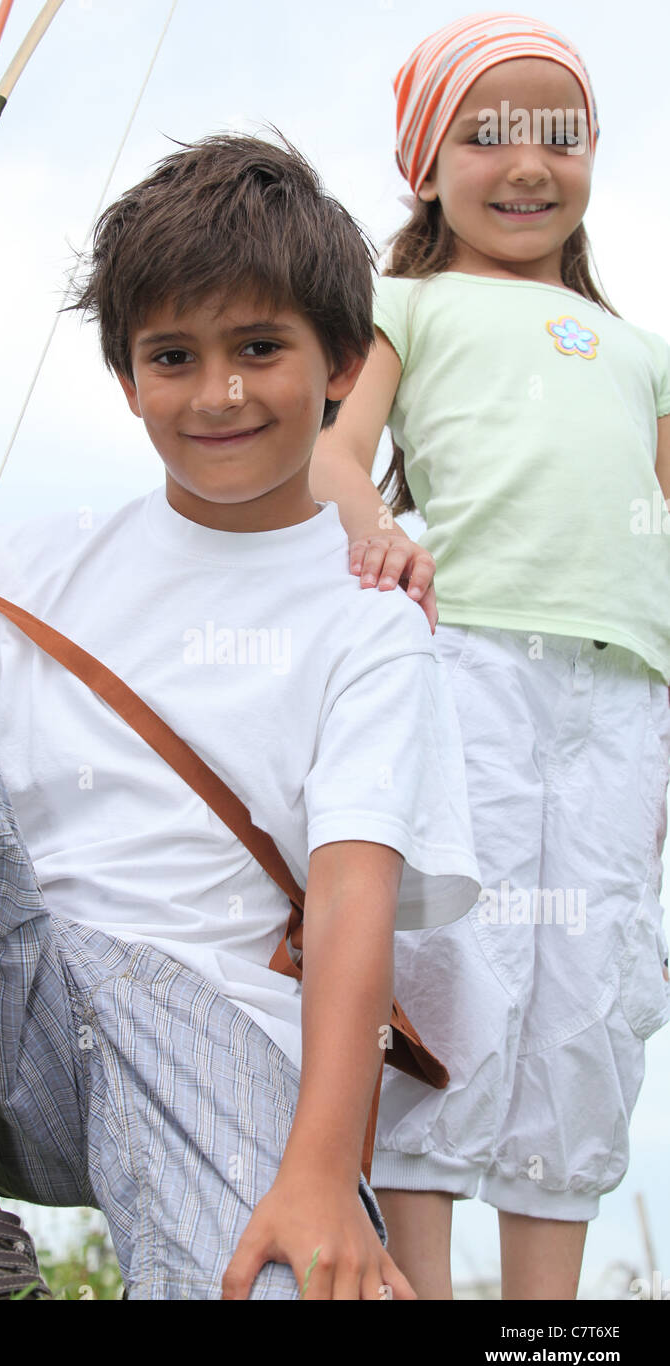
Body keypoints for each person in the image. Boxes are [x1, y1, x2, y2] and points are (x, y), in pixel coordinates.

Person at [0, 131, 480, 1300]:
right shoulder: (35, 567)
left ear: (340, 365)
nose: (217, 391)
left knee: (280, 1280)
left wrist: (320, 1170)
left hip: (221, 1031)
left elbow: (355, 892)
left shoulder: (367, 613)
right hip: (11, 1019)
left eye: (257, 347)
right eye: (173, 355)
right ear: (126, 378)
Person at [308, 11, 670, 1300]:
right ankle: (416, 1286)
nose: (525, 163)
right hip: (472, 662)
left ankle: (546, 1321)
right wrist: (378, 538)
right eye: (486, 133)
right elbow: (333, 452)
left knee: (591, 990)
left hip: (627, 692)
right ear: (427, 164)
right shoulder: (402, 298)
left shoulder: (638, 347)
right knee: (457, 962)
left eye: (555, 134)